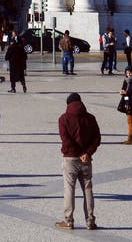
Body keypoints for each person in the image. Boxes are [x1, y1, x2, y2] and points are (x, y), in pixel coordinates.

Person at [56, 92, 101, 231]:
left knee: (69, 189)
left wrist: (80, 153)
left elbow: (66, 140)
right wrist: (87, 153)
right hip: (86, 159)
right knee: (88, 189)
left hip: (70, 158)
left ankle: (68, 220)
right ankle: (90, 221)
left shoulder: (64, 119)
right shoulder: (90, 118)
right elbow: (97, 138)